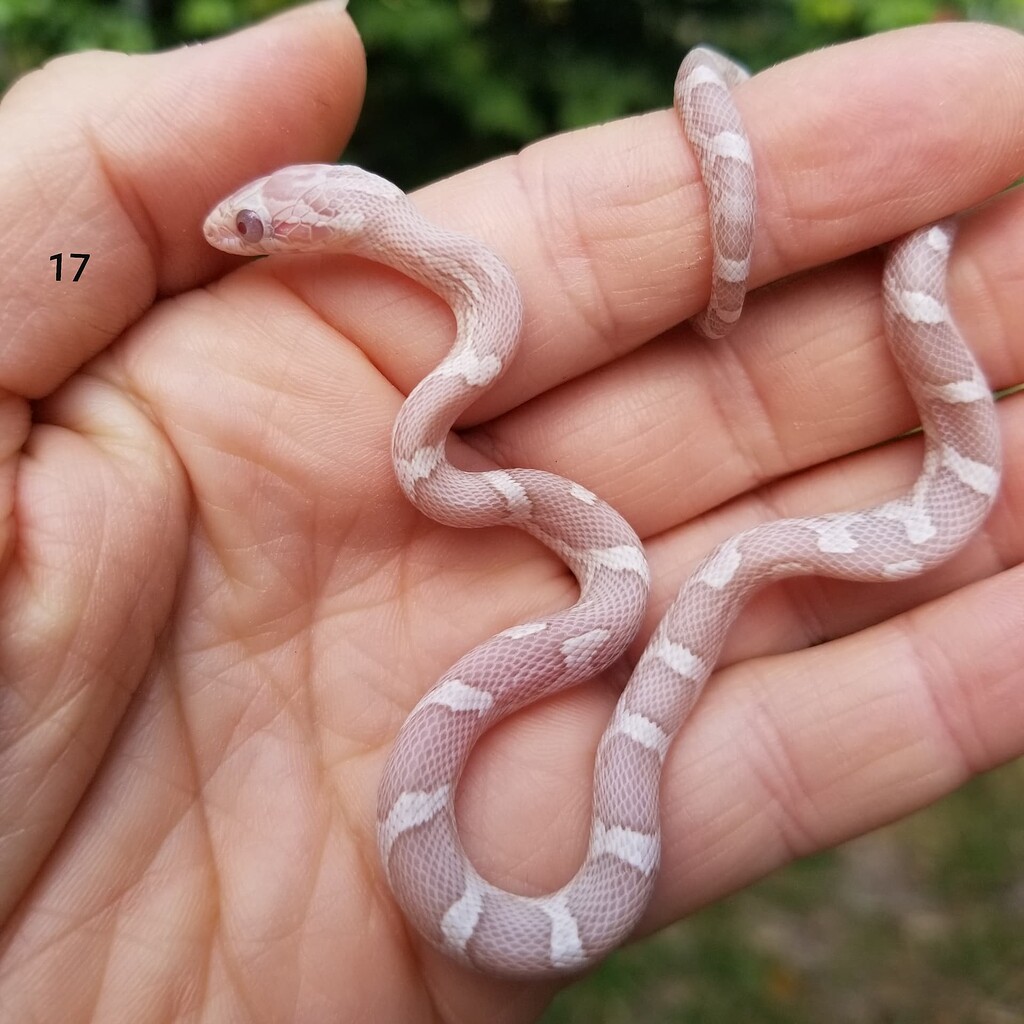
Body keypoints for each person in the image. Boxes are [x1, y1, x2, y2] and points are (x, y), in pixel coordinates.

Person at [0, 2, 1021, 1020]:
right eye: (255, 222)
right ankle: (890, 209)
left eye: (262, 220)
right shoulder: (446, 344)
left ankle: (914, 224)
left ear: (351, 205)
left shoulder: (462, 346)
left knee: (682, 564)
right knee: (639, 580)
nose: (239, 229)